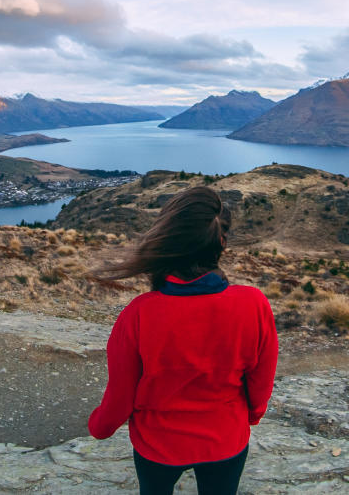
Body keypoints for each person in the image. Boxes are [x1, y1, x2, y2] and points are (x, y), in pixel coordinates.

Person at [87, 186, 278, 495]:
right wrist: (251, 416)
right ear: (222, 243)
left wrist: (99, 427)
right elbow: (260, 382)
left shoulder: (138, 314)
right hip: (225, 440)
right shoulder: (254, 304)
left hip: (157, 446)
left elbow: (120, 397)